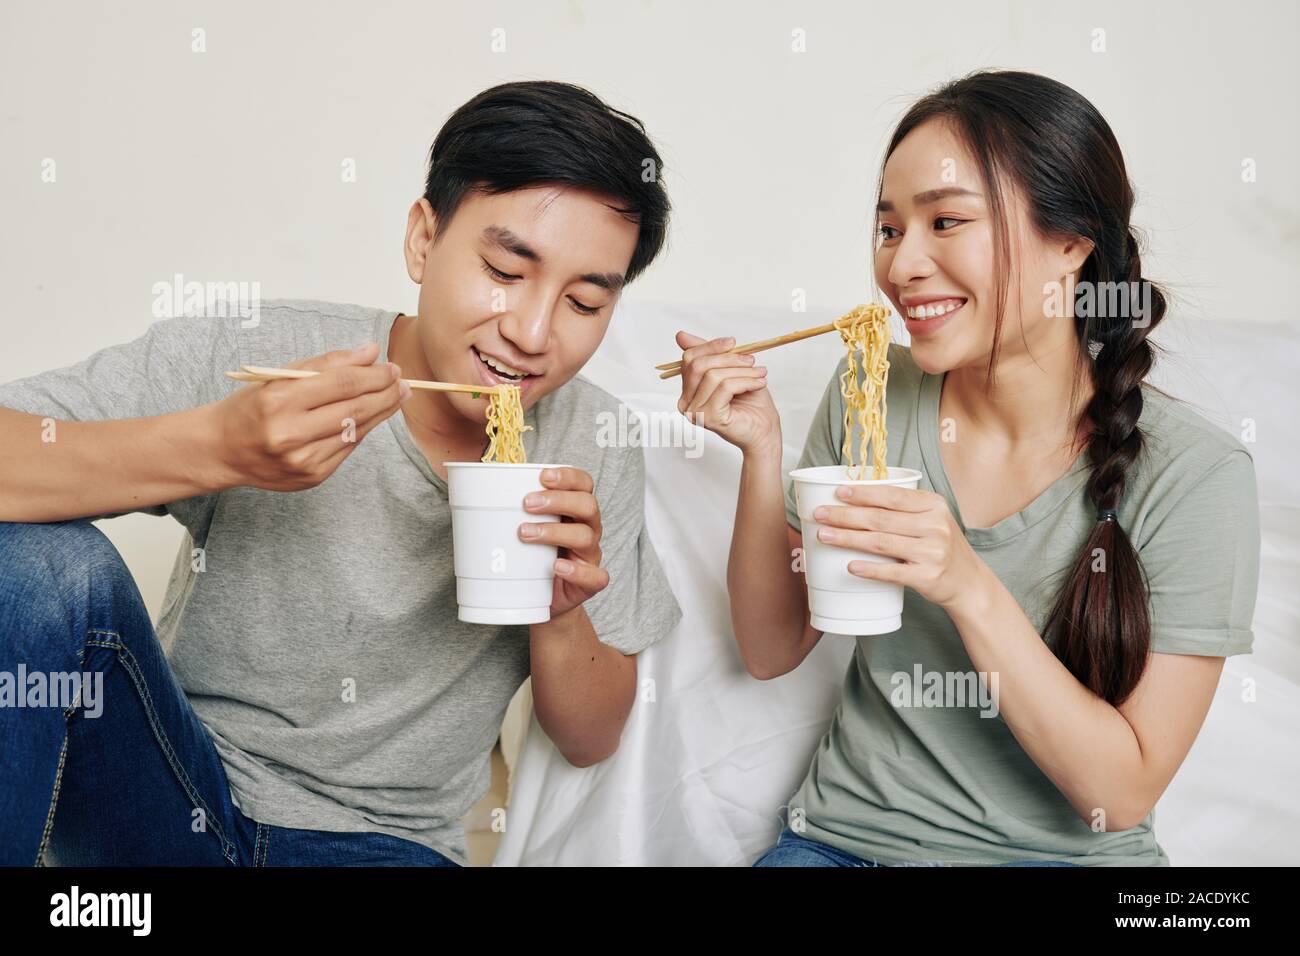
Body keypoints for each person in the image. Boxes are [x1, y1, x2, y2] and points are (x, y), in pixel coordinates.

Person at [0, 80, 681, 866]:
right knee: (41, 564)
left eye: (584, 304)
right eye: (505, 268)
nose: (532, 332)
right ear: (424, 240)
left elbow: (592, 737)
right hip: (164, 784)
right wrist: (220, 447)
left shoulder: (595, 440)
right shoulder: (273, 357)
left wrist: (559, 612)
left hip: (380, 843)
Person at [672, 70, 1260, 867]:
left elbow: (1118, 795)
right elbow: (772, 647)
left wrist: (965, 583)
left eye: (946, 221)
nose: (902, 265)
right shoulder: (869, 390)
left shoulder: (1199, 475)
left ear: (1071, 243)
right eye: (888, 230)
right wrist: (762, 452)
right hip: (844, 845)